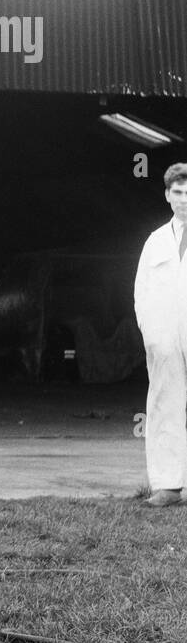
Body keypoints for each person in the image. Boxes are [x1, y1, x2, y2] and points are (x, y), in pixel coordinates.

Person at [133, 162, 187, 508]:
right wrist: (152, 336)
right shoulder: (155, 242)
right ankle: (168, 485)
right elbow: (142, 293)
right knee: (166, 405)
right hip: (166, 340)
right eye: (178, 193)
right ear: (168, 195)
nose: (185, 200)